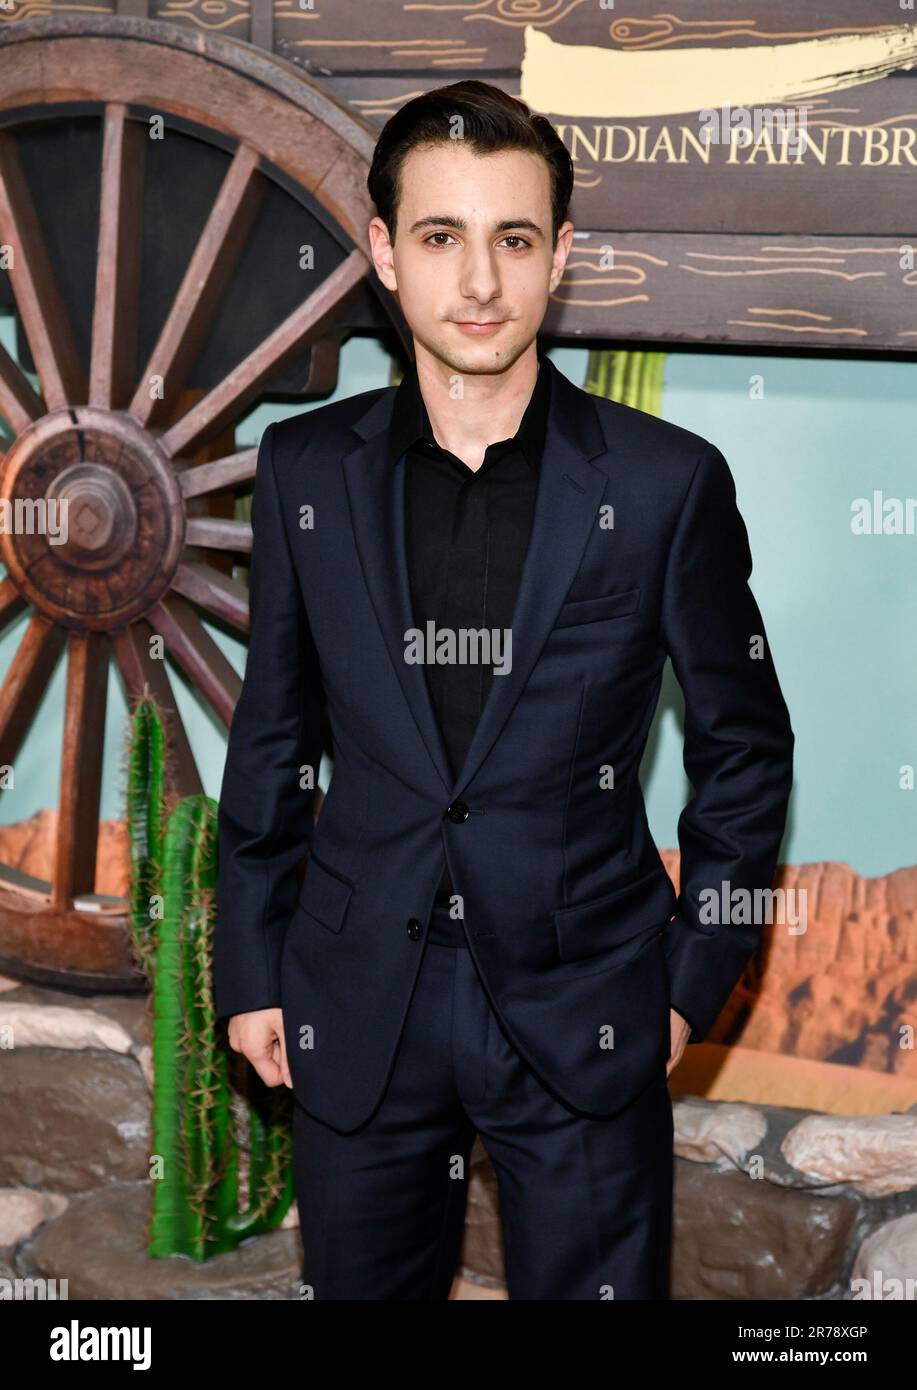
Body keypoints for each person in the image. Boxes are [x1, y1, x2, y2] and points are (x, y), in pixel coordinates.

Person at [214, 79, 794, 1300]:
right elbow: (271, 736)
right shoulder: (304, 468)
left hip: (586, 1006)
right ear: (382, 251)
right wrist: (253, 970)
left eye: (512, 239)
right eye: (440, 237)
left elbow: (743, 753)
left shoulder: (660, 483)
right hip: (357, 995)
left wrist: (686, 995)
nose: (478, 283)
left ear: (558, 256)